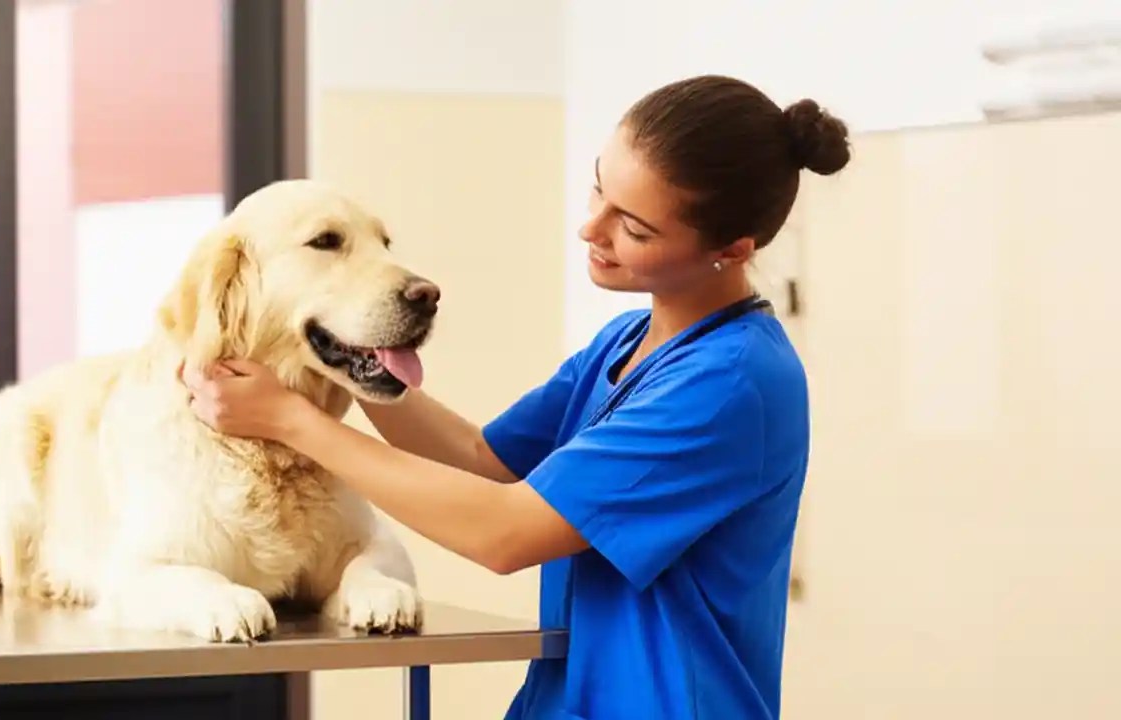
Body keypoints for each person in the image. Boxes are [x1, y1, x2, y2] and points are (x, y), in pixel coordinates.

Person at [183, 75, 851, 719]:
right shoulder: (627, 341)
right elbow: (482, 458)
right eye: (598, 191)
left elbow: (502, 530)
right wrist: (350, 358)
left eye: (635, 229)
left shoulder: (729, 383)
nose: (592, 230)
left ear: (731, 251)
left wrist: (293, 421)